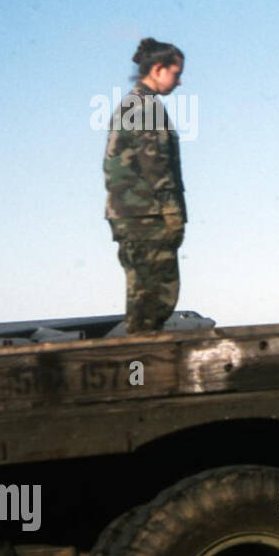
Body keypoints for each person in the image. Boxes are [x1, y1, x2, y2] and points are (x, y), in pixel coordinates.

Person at [104, 38, 187, 334]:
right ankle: (143, 367)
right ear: (158, 69)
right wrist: (172, 213)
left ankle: (139, 367)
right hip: (147, 217)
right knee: (156, 297)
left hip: (131, 215)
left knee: (141, 296)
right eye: (176, 74)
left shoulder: (132, 104)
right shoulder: (146, 107)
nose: (179, 82)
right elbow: (157, 167)